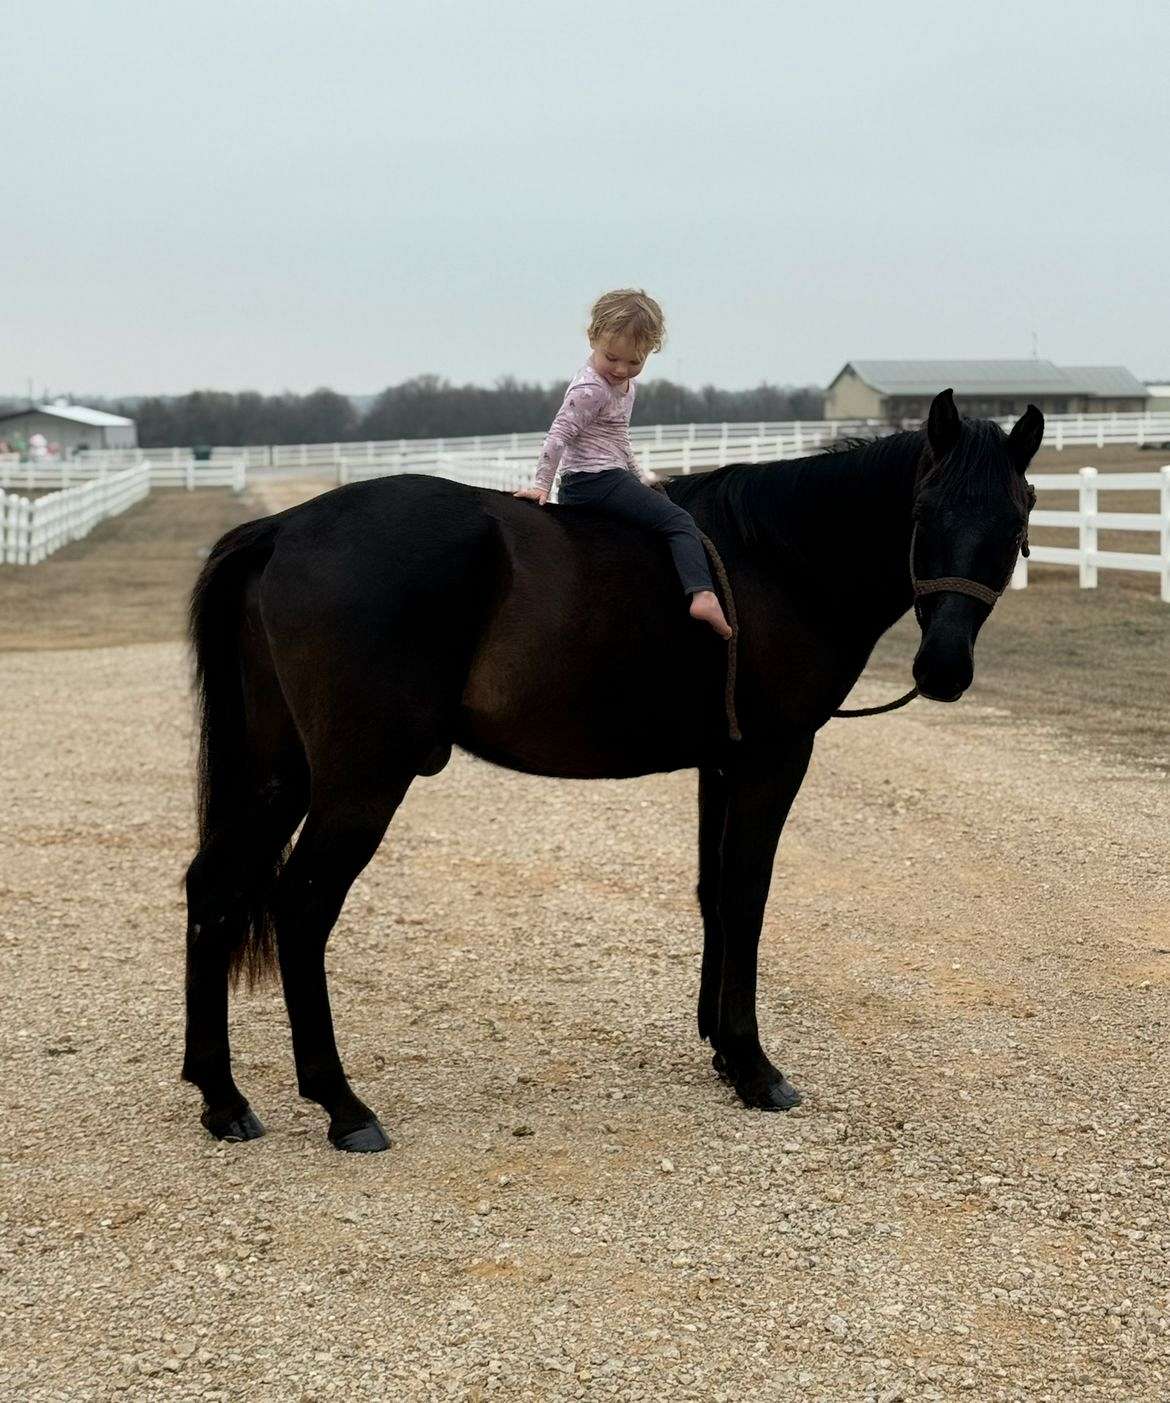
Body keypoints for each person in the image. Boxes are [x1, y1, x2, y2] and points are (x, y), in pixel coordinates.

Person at [513, 289, 732, 639]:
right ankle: (702, 594)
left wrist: (638, 476)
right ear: (593, 338)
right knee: (678, 521)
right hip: (593, 481)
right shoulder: (591, 389)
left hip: (608, 476)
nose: (620, 369)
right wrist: (542, 485)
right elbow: (557, 436)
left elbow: (619, 437)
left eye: (634, 362)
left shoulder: (625, 386)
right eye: (612, 357)